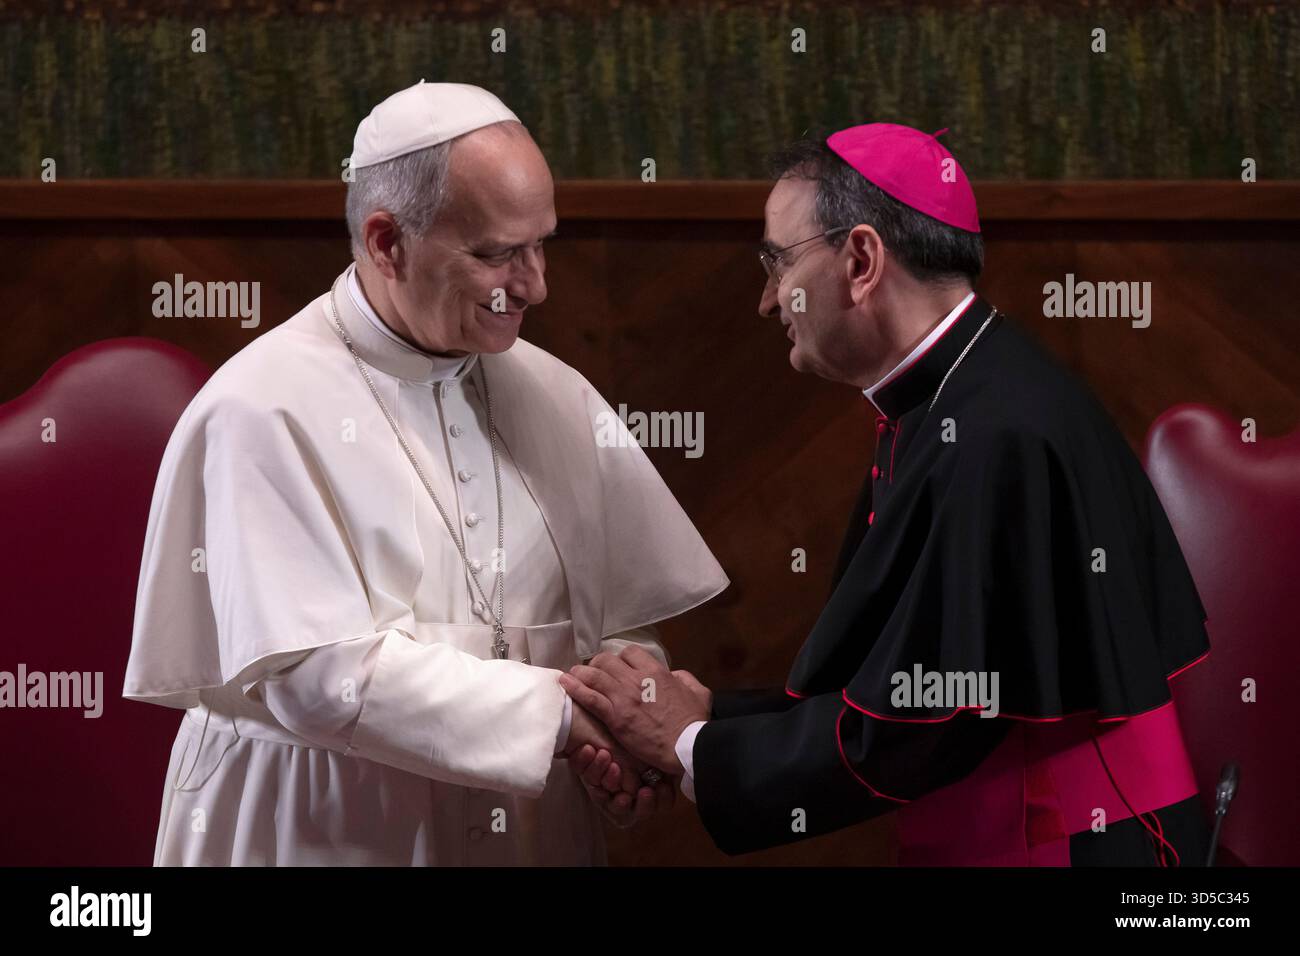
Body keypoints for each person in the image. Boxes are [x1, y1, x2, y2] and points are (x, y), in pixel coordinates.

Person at [562, 123, 1211, 866]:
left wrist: (688, 745)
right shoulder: (965, 396)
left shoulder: (996, 435)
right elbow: (890, 680)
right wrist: (710, 716)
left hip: (1069, 842)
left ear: (862, 260)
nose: (769, 302)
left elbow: (918, 722)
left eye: (778, 262)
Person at [123, 82, 727, 865]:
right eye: (498, 253)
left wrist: (628, 702)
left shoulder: (555, 391)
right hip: (325, 826)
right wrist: (564, 720)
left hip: (528, 820)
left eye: (542, 243)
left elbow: (613, 612)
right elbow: (314, 673)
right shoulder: (261, 407)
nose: (536, 283)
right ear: (386, 241)